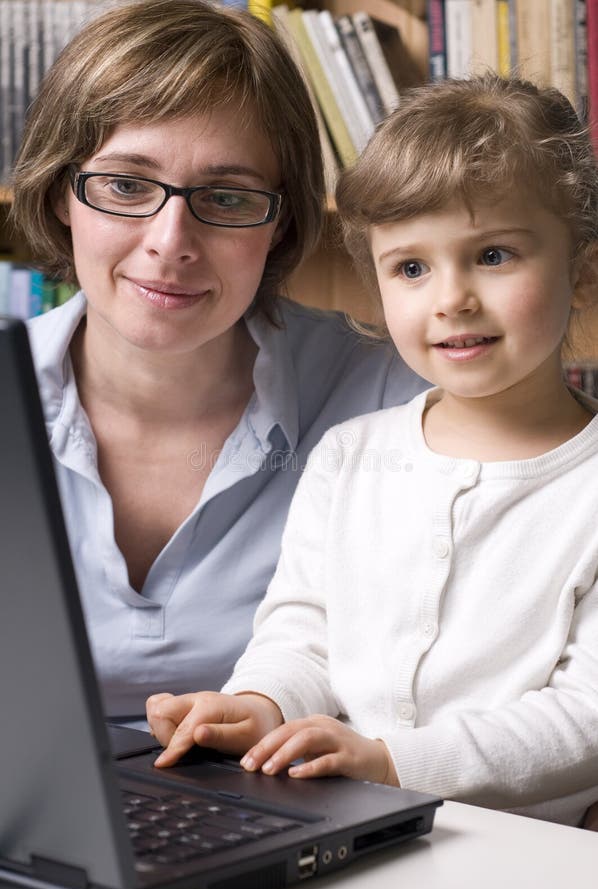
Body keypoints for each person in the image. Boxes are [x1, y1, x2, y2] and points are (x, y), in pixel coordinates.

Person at [146, 74, 598, 828]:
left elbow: (585, 719)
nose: (451, 297)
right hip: (348, 827)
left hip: (528, 852)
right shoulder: (347, 454)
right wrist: (256, 705)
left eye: (492, 254)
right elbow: (301, 637)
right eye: (411, 268)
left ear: (581, 273)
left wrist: (392, 764)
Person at [8, 0, 426, 725]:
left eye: (227, 197)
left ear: (282, 221)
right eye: (127, 185)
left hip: (297, 812)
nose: (171, 242)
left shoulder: (396, 397)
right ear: (59, 194)